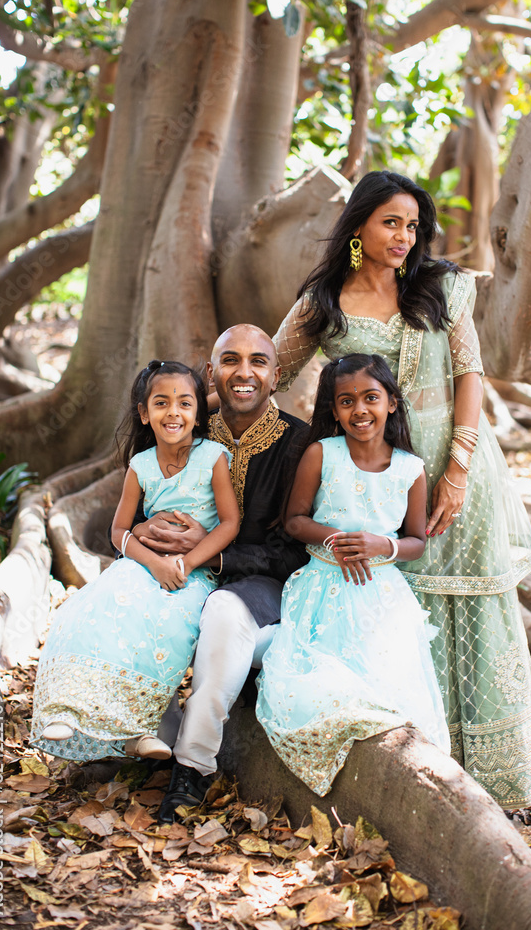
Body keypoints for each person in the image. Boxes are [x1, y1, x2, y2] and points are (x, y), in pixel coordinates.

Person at [271, 170, 531, 810]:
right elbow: (272, 366)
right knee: (397, 608)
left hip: (455, 461)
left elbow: (469, 373)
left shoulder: (443, 286)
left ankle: (491, 779)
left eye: (413, 225)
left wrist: (457, 468)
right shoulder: (325, 300)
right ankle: (416, 766)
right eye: (390, 222)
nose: (404, 236)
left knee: (467, 603)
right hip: (370, 481)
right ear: (359, 226)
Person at [130, 325, 309, 822]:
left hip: (258, 586)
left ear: (276, 376)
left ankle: (192, 768)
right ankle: (153, 736)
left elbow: (294, 551)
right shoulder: (189, 422)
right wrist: (152, 532)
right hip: (182, 572)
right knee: (135, 596)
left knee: (224, 613)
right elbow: (144, 495)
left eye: (258, 362)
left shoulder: (300, 444)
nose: (244, 372)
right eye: (230, 360)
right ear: (212, 373)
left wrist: (211, 556)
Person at [256, 353, 450, 795]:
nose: (359, 410)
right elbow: (295, 520)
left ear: (392, 403)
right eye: (346, 402)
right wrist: (334, 541)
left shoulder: (409, 469)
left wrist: (387, 545)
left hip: (383, 595)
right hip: (323, 586)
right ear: (334, 410)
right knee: (317, 681)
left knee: (388, 687)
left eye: (370, 398)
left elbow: (417, 541)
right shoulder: (322, 454)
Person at [30, 360, 240, 762]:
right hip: (144, 566)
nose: (173, 413)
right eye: (161, 403)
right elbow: (119, 532)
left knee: (165, 623)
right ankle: (66, 710)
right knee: (94, 607)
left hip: (192, 573)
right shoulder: (140, 466)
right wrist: (154, 563)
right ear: (145, 414)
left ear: (198, 412)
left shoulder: (213, 456)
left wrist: (188, 563)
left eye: (184, 403)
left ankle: (137, 729)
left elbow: (229, 524)